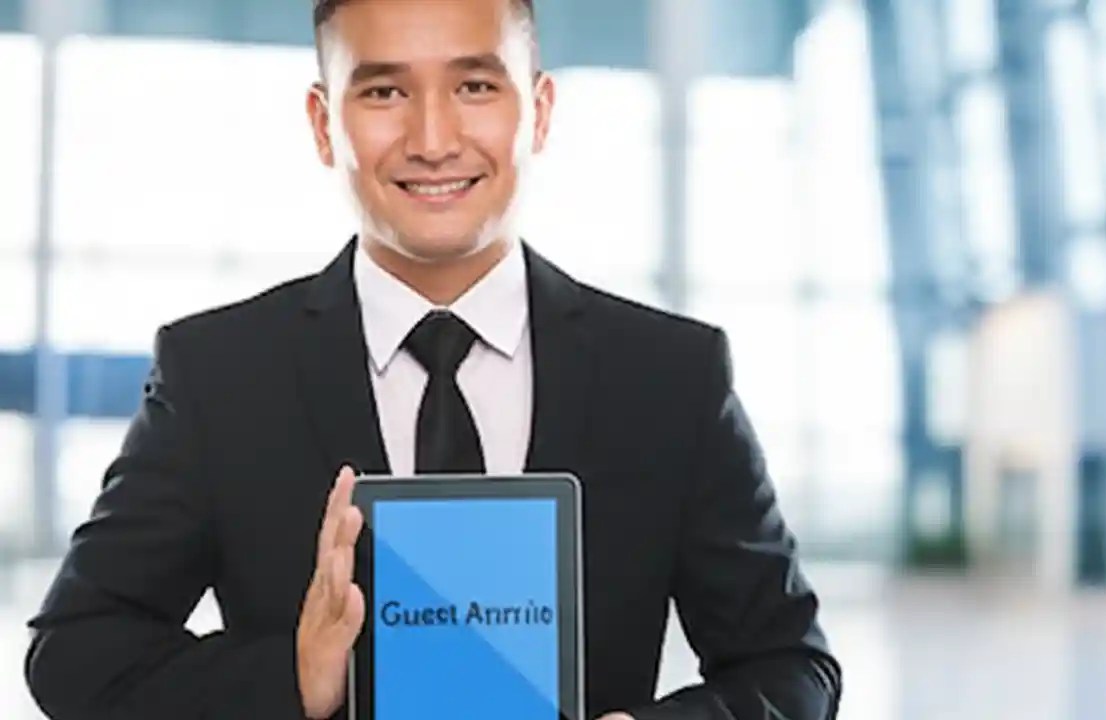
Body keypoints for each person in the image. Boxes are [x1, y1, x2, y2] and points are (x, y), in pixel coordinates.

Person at [25, 0, 842, 718]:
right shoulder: (221, 375)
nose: (433, 139)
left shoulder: (669, 378)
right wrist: (294, 678)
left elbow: (790, 667)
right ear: (323, 124)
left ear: (539, 111)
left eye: (475, 86)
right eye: (384, 92)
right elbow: (76, 652)